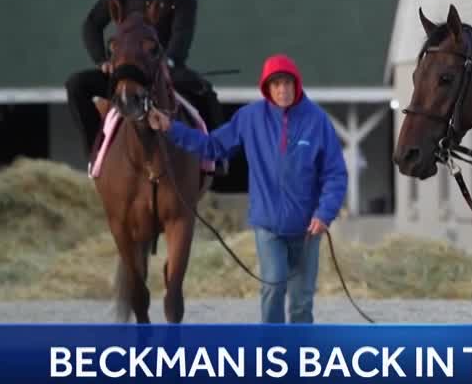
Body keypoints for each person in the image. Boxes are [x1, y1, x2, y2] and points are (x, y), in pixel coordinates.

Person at [147, 54, 348, 324]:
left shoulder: (317, 121)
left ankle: (300, 359)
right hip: (268, 226)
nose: (282, 90)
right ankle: (273, 357)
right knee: (273, 287)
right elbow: (212, 146)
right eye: (276, 84)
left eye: (287, 83)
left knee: (301, 301)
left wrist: (325, 214)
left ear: (296, 84)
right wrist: (171, 128)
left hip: (308, 230)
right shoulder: (250, 118)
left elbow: (335, 174)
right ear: (267, 87)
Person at [66, 0, 226, 166]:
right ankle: (95, 150)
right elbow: (91, 24)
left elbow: (182, 34)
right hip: (125, 70)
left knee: (205, 92)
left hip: (163, 69)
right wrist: (101, 60)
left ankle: (217, 154)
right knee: (76, 84)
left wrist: (169, 61)